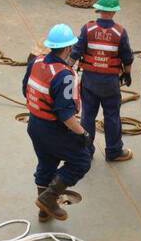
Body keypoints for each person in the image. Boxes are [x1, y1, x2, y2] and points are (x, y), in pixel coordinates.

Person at [24, 24, 92, 222]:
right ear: (68, 48)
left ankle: (44, 211)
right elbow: (66, 114)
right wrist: (82, 134)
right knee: (81, 160)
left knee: (47, 163)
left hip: (34, 123)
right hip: (53, 128)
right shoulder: (65, 75)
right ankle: (49, 197)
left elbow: (25, 89)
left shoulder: (36, 62)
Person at [70, 0, 134, 163]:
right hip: (110, 83)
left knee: (87, 116)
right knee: (112, 116)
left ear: (98, 9)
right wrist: (127, 73)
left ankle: (85, 151)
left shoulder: (88, 28)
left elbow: (75, 52)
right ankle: (113, 151)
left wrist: (66, 70)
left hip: (89, 81)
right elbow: (127, 57)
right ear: (114, 11)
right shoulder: (120, 32)